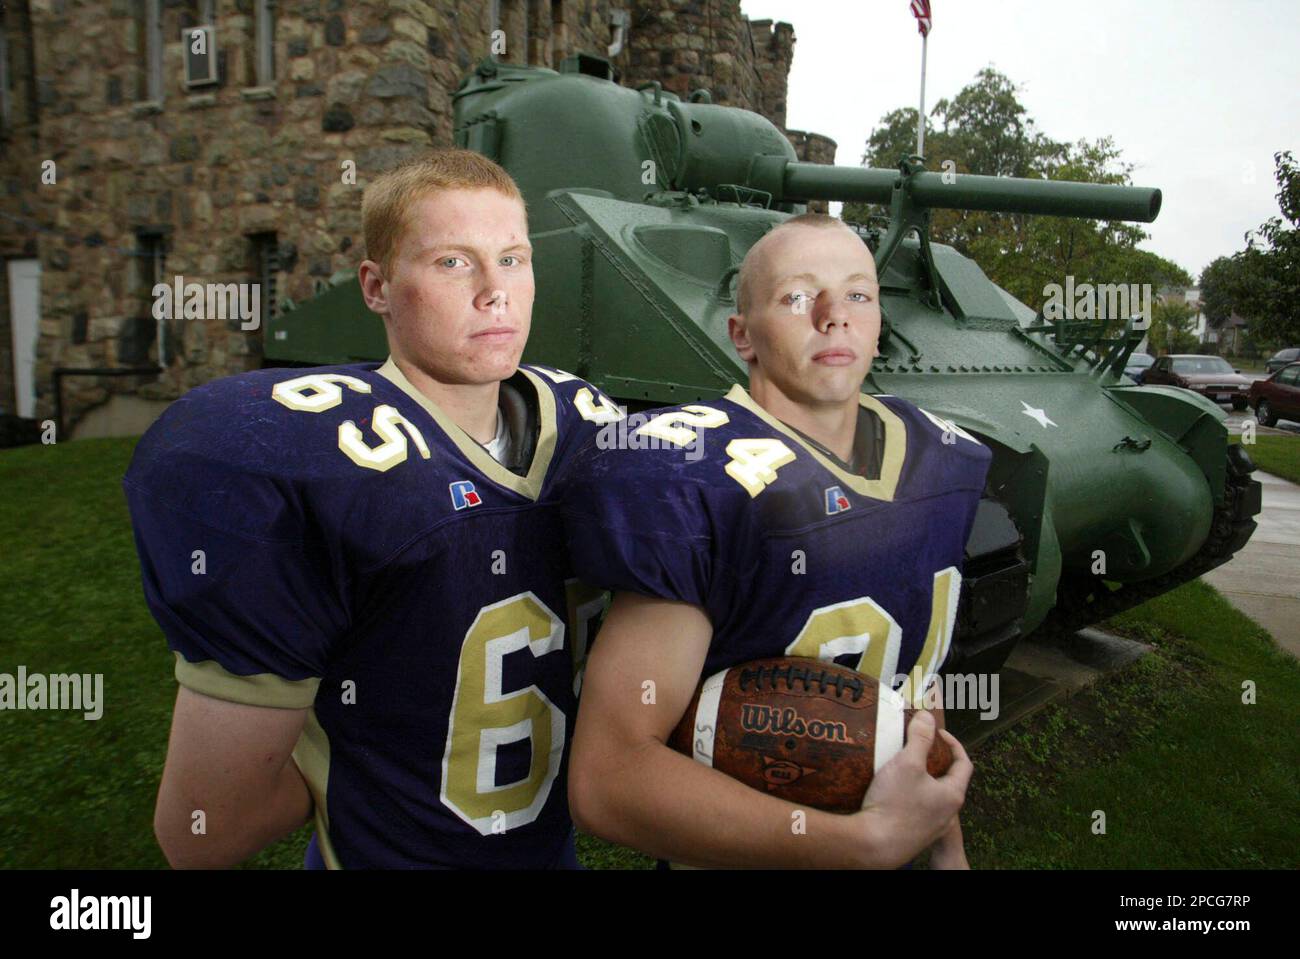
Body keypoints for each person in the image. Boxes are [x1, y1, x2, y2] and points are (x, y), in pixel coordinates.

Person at [124, 148, 621, 869]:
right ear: (376, 286)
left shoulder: (587, 425)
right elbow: (205, 829)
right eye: (453, 262)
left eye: (513, 258)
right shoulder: (302, 458)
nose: (495, 293)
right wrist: (368, 758)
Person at [560, 213, 988, 869]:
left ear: (878, 324)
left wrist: (946, 848)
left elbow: (912, 683)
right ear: (743, 335)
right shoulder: (696, 477)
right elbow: (608, 778)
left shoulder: (937, 457)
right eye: (796, 295)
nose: (833, 315)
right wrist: (862, 845)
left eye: (858, 294)